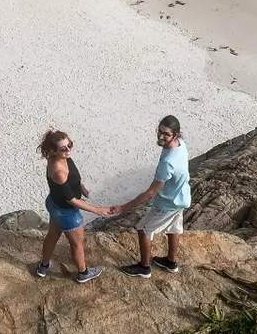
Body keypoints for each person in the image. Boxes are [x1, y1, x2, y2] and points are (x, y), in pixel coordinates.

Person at [36, 130, 117, 283]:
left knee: (53, 235)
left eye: (69, 145)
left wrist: (82, 188)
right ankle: (83, 273)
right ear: (54, 150)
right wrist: (98, 210)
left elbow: (73, 176)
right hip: (66, 212)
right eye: (64, 148)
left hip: (54, 203)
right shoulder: (58, 171)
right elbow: (71, 200)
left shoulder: (59, 157)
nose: (68, 150)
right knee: (77, 244)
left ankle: (43, 266)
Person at [118, 115, 190, 277]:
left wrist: (124, 207)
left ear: (176, 135)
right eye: (160, 132)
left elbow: (151, 192)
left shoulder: (168, 163)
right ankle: (171, 262)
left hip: (168, 203)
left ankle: (144, 268)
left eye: (166, 134)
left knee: (143, 230)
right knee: (174, 229)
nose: (161, 136)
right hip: (182, 197)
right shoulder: (181, 145)